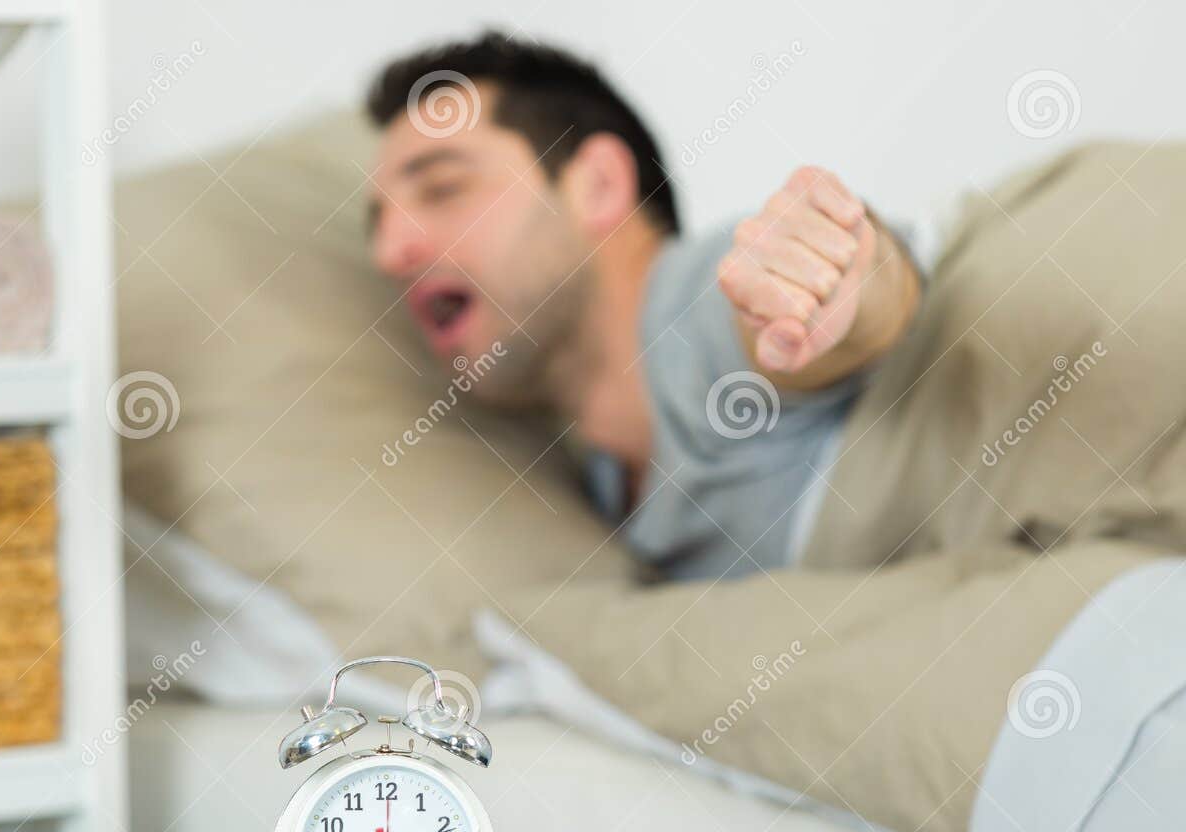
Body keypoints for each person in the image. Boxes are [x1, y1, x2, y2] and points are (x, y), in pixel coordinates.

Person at [365, 32, 923, 581]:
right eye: (377, 223)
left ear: (600, 185)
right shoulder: (597, 480)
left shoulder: (704, 303)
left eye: (442, 189)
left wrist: (838, 274)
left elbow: (860, 308)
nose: (389, 253)